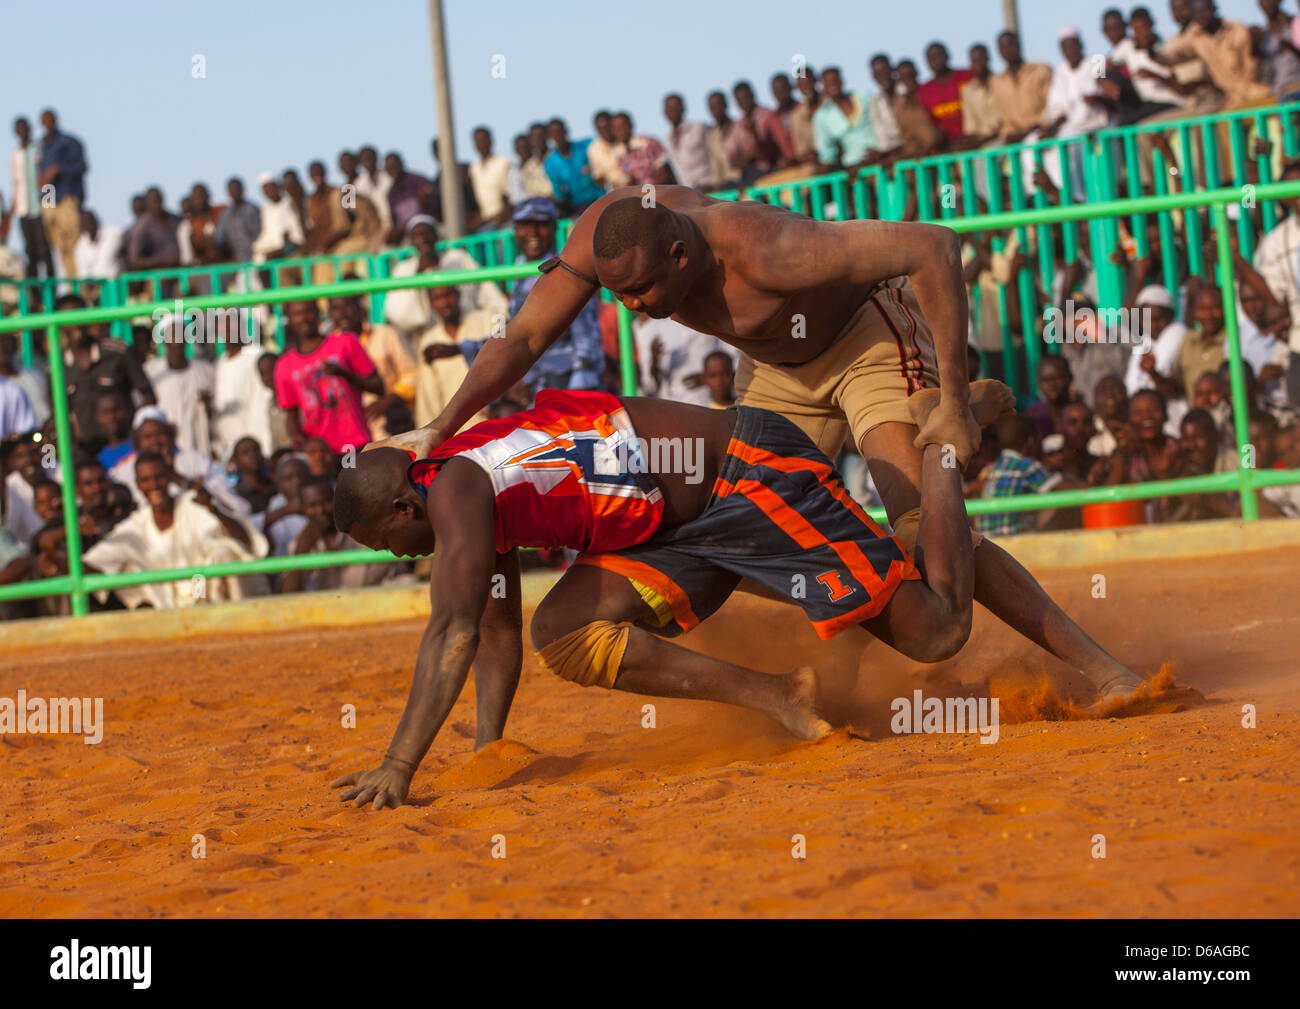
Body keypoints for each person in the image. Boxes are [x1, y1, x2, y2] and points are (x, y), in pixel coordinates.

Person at [376, 185, 1146, 705]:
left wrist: (949, 404)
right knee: (759, 521)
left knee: (925, 537)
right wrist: (442, 424)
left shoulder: (768, 248)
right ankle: (849, 683)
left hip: (869, 340)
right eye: (618, 296)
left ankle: (1103, 667)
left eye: (643, 292)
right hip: (778, 371)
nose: (635, 310)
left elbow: (935, 247)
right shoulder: (610, 232)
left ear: (681, 256)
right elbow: (526, 334)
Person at [330, 382, 1017, 809]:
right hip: (675, 529)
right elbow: (496, 627)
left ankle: (945, 443)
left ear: (399, 507)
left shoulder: (455, 488)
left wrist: (398, 765)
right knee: (561, 631)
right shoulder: (461, 483)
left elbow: (452, 631)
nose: (400, 557)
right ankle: (780, 693)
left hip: (746, 481)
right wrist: (489, 744)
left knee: (937, 631)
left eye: (389, 544)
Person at [82, 452, 267, 610]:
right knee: (128, 569)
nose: (154, 485)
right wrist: (62, 536)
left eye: (159, 477)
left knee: (223, 552)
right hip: (169, 611)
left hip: (207, 595)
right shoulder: (136, 526)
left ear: (168, 477)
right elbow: (94, 565)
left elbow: (246, 541)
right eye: (146, 480)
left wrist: (214, 509)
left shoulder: (194, 503)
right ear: (138, 485)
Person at [273, 300, 380, 455]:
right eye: (297, 314)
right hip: (320, 453)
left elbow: (378, 386)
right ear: (289, 318)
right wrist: (297, 438)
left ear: (318, 313)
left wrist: (345, 375)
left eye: (308, 312)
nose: (304, 318)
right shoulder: (284, 365)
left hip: (354, 445)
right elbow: (291, 416)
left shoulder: (345, 342)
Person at [280, 475, 403, 593]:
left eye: (326, 502)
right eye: (312, 505)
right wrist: (301, 550)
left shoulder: (361, 530)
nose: (320, 510)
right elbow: (289, 594)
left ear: (336, 501)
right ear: (303, 509)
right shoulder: (301, 543)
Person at [37, 109, 87, 278]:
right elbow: (44, 178)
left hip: (67, 198)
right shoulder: (42, 146)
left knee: (74, 242)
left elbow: (82, 167)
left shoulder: (69, 142)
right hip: (49, 198)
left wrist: (59, 170)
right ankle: (71, 283)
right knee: (59, 246)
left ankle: (81, 286)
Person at [9, 117, 54, 280]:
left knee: (45, 250)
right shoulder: (15, 155)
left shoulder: (39, 149)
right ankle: (35, 293)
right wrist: (11, 211)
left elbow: (47, 178)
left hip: (41, 208)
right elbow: (16, 185)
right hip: (24, 210)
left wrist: (50, 205)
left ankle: (51, 287)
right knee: (30, 251)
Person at [542, 118, 605, 216]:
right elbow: (559, 194)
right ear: (549, 137)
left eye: (559, 131)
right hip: (577, 207)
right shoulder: (550, 163)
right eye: (554, 133)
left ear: (566, 131)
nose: (558, 135)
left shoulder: (586, 145)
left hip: (600, 199)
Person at [917, 42, 974, 143]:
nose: (936, 61)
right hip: (949, 147)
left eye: (939, 55)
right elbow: (932, 124)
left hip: (976, 139)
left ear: (947, 55)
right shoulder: (924, 91)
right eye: (931, 58)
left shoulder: (967, 76)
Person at [662, 94, 712, 190]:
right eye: (669, 108)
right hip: (688, 192)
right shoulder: (668, 140)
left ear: (683, 108)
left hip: (709, 185)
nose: (672, 111)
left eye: (675, 107)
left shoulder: (699, 128)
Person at [467, 127, 513, 231]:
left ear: (491, 141)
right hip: (485, 222)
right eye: (477, 141)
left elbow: (509, 196)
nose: (481, 144)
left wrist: (502, 217)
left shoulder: (503, 163)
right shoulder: (474, 168)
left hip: (503, 220)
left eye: (484, 140)